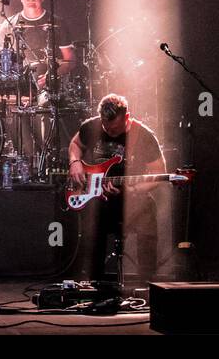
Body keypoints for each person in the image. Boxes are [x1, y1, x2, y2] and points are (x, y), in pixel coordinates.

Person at [67, 93, 167, 281]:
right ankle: (92, 282)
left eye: (115, 129)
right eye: (106, 127)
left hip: (132, 200)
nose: (110, 132)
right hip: (98, 199)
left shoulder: (143, 135)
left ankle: (147, 284)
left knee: (147, 217)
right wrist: (75, 162)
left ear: (127, 117)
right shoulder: (92, 126)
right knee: (91, 225)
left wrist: (136, 189)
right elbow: (75, 144)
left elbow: (158, 172)